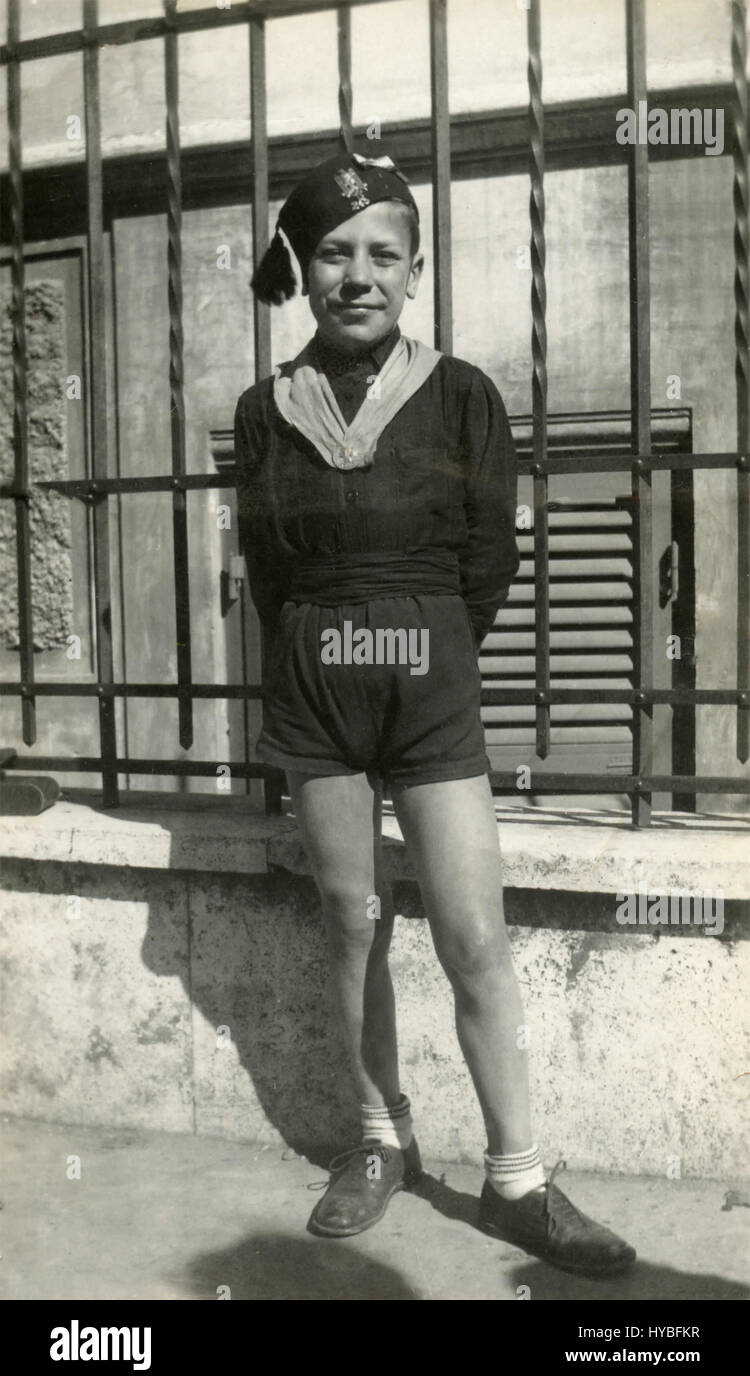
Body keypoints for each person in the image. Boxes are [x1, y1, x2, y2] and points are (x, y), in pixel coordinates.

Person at [234, 149, 635, 1278]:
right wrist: (334, 646)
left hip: (429, 684)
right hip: (317, 692)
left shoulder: (462, 396)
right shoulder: (264, 412)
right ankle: (378, 1139)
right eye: (333, 255)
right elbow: (269, 567)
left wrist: (415, 643)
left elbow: (488, 561)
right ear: (302, 271)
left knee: (473, 934)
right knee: (353, 919)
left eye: (383, 256)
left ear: (414, 274)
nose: (358, 276)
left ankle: (517, 1179)